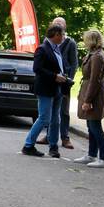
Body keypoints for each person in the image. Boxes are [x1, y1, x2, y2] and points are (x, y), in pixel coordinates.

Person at [22, 24, 68, 159]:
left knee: (55, 119)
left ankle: (53, 147)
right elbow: (37, 69)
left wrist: (63, 76)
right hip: (46, 89)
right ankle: (28, 145)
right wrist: (55, 76)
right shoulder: (42, 49)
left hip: (57, 88)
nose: (64, 37)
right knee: (44, 118)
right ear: (56, 35)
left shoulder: (57, 49)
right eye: (62, 35)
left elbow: (58, 66)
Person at [38, 16, 78, 149]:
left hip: (64, 81)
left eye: (61, 24)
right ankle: (49, 136)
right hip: (52, 80)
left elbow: (74, 63)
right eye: (56, 24)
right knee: (52, 111)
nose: (59, 25)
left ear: (65, 27)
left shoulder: (70, 42)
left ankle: (65, 137)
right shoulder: (47, 42)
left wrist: (69, 80)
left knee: (64, 111)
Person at [73, 28, 104, 168]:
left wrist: (88, 100)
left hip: (93, 93)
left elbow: (95, 79)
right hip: (90, 90)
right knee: (91, 125)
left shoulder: (97, 56)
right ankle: (92, 154)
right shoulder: (94, 54)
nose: (84, 41)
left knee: (95, 126)